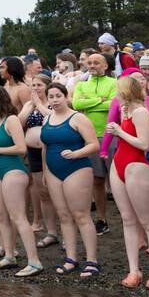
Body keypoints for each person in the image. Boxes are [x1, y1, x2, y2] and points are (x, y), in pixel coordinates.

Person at [104, 74, 149, 289]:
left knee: (147, 221)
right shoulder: (125, 110)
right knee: (127, 219)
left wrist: (119, 131)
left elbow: (145, 144)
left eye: (118, 91)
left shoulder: (140, 111)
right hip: (119, 164)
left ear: (126, 92)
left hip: (137, 166)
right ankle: (133, 269)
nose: (116, 95)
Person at [0, 86, 41, 277]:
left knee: (18, 217)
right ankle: (10, 255)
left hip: (14, 170)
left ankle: (34, 261)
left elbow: (21, 148)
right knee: (1, 215)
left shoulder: (11, 120)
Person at [41, 82, 100, 278]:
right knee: (64, 215)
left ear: (66, 96)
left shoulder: (78, 118)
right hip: (52, 171)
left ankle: (92, 261)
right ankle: (71, 258)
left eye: (58, 95)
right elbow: (45, 148)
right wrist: (44, 171)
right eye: (51, 96)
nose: (55, 100)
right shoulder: (47, 119)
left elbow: (94, 145)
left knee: (81, 215)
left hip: (77, 169)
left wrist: (76, 154)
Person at [72, 52, 117, 235]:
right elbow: (75, 104)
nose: (92, 65)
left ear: (106, 66)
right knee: (97, 180)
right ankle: (101, 219)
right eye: (89, 63)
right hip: (90, 138)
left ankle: (129, 218)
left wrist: (87, 104)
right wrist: (100, 100)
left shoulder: (114, 83)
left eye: (96, 62)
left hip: (112, 136)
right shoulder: (81, 84)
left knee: (118, 180)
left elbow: (113, 104)